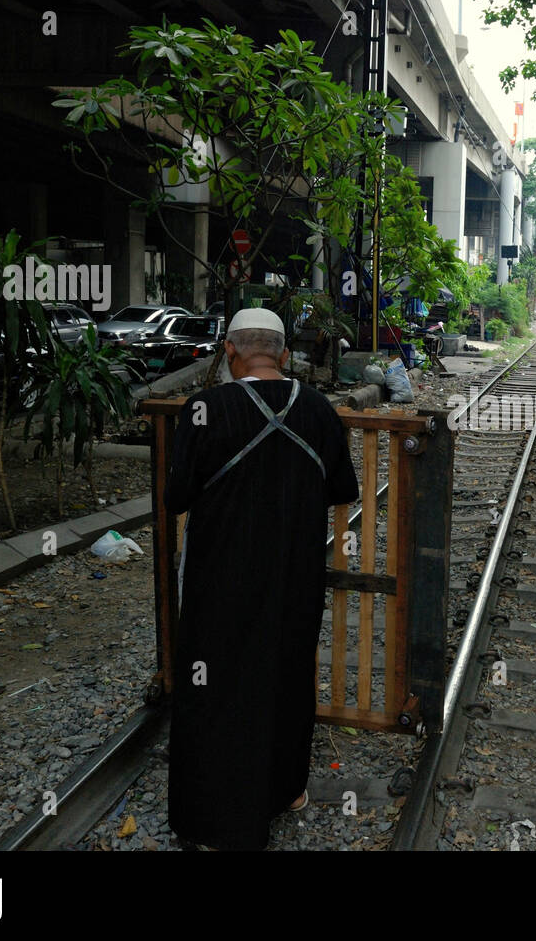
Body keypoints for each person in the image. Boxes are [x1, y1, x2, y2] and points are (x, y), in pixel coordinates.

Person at [164, 307, 359, 851]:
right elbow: (343, 488)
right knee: (286, 669)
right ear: (283, 354)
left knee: (216, 682)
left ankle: (214, 821)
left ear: (229, 353)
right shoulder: (317, 407)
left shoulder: (205, 408)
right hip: (294, 573)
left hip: (218, 577)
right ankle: (286, 791)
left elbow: (176, 497)